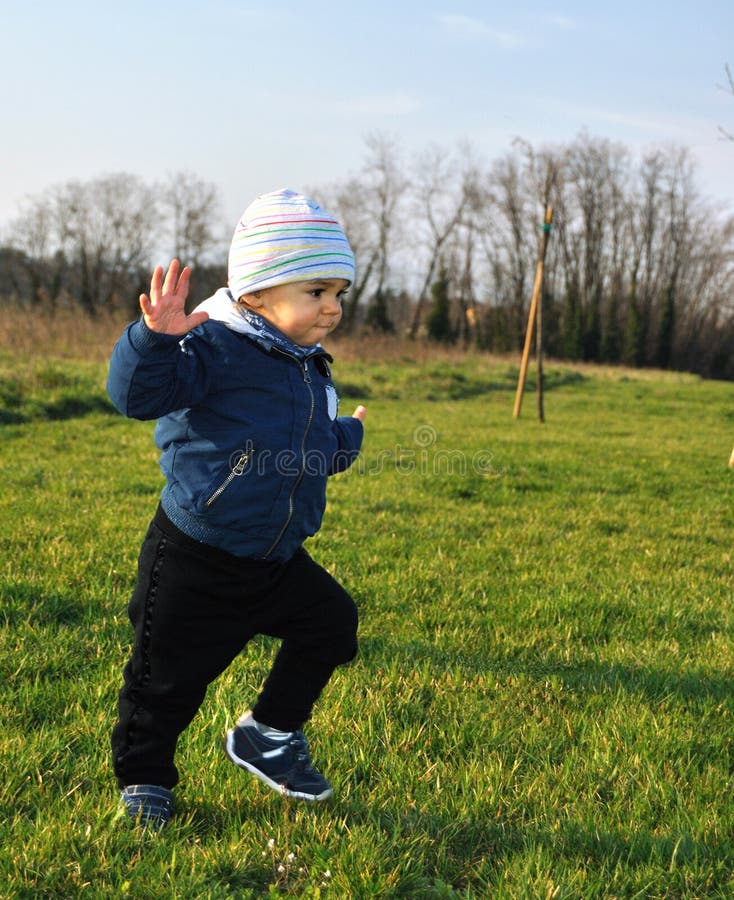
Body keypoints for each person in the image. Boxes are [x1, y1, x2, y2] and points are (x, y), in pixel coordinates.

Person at [106, 188, 366, 827]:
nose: (333, 308)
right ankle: (145, 781)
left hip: (274, 557)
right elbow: (136, 396)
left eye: (339, 293)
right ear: (259, 290)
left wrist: (344, 440)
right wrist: (153, 341)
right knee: (163, 681)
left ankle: (267, 734)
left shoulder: (307, 366)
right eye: (316, 292)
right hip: (194, 556)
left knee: (332, 623)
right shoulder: (213, 348)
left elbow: (305, 446)